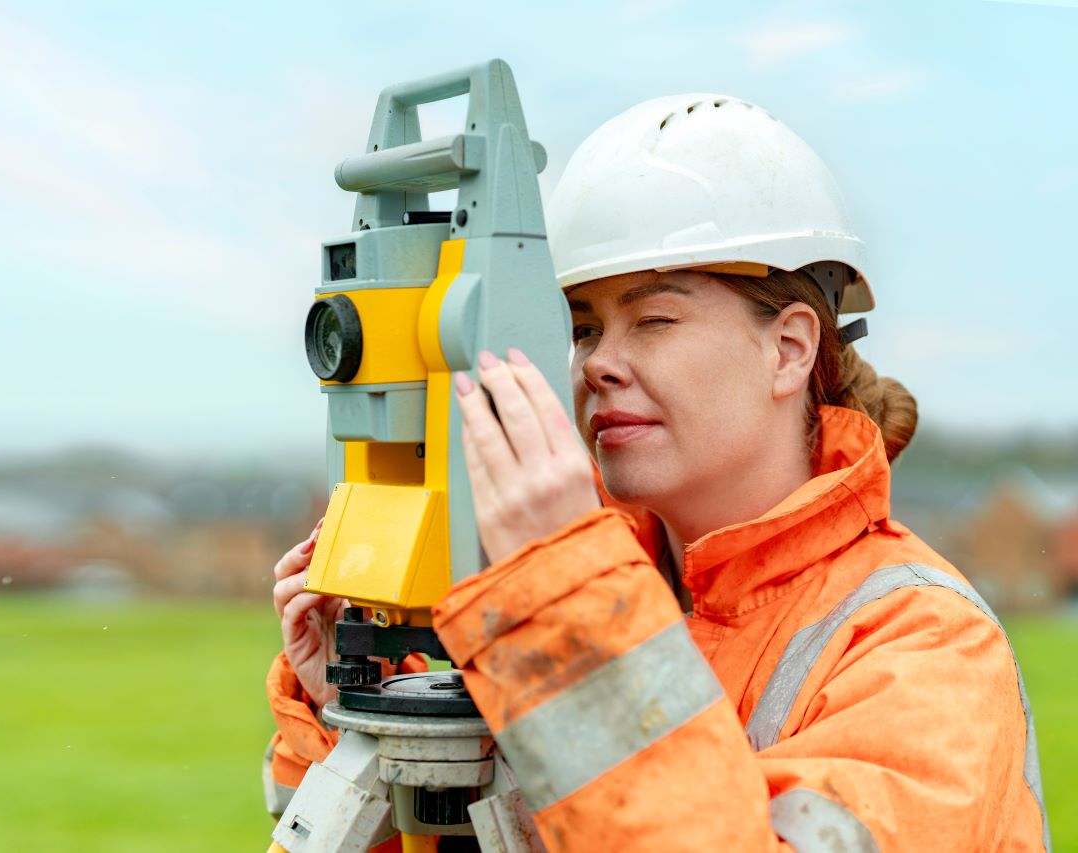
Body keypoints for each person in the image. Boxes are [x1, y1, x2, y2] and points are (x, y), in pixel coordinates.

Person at [267, 94, 1050, 851]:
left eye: (654, 320)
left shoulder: (926, 650)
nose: (600, 363)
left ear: (789, 349)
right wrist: (355, 710)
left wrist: (569, 599)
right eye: (582, 327)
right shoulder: (563, 606)